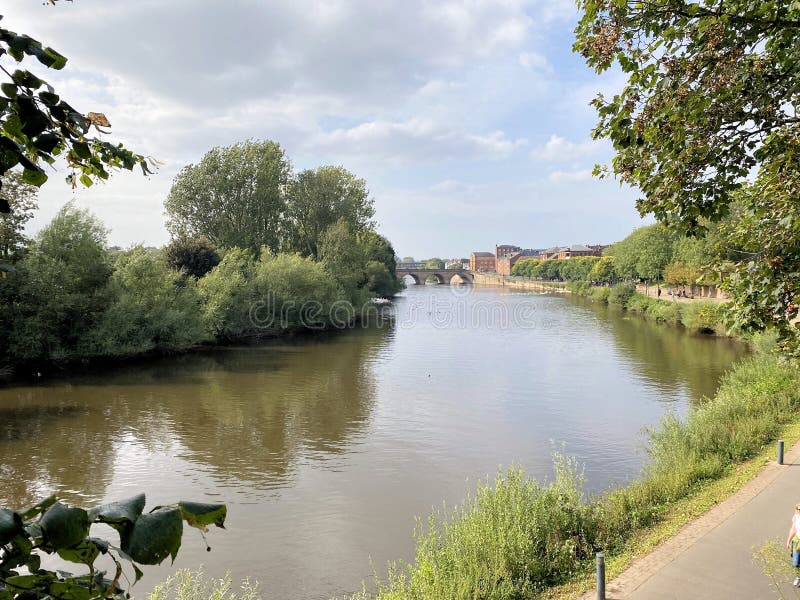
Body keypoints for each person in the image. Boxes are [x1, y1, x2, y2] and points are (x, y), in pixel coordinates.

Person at [786, 502, 800, 586]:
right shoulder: (796, 517)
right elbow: (793, 529)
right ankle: (798, 577)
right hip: (797, 541)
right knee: (795, 563)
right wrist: (788, 540)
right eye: (799, 509)